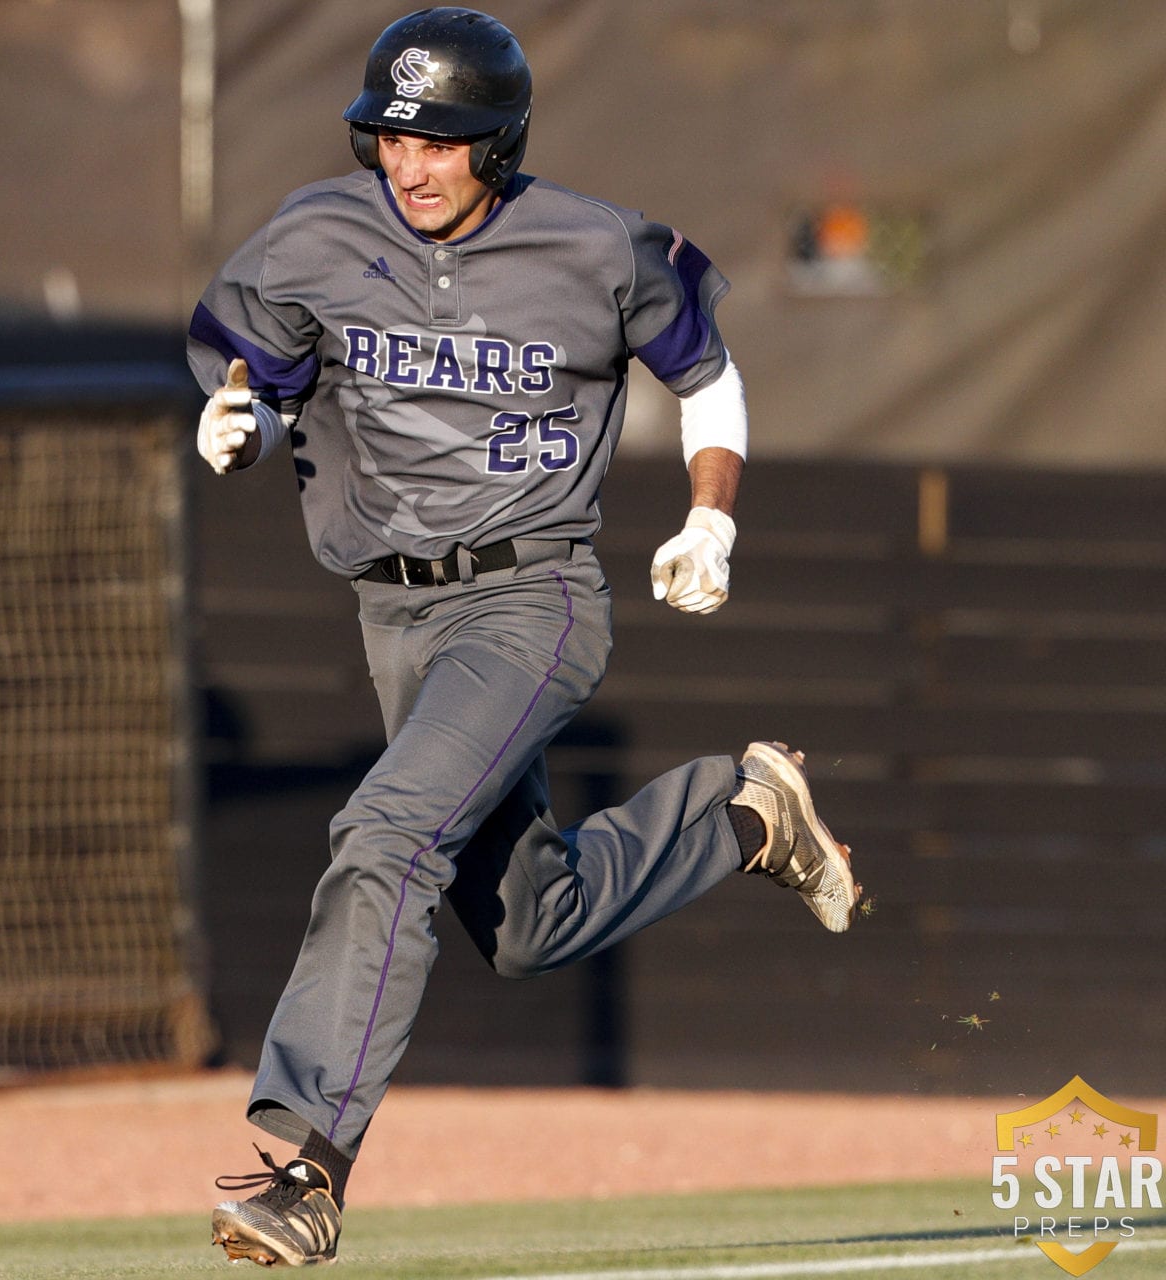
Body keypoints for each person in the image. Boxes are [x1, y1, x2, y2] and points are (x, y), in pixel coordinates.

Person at [190, 9, 862, 1267]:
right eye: (392, 135)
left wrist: (710, 517)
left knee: (386, 833)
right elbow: (255, 373)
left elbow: (706, 375)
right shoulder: (316, 235)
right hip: (392, 608)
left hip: (531, 600)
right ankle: (746, 815)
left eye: (441, 142)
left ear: (499, 146)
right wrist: (239, 419)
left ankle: (309, 1172)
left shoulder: (596, 245)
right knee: (527, 925)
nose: (411, 163)